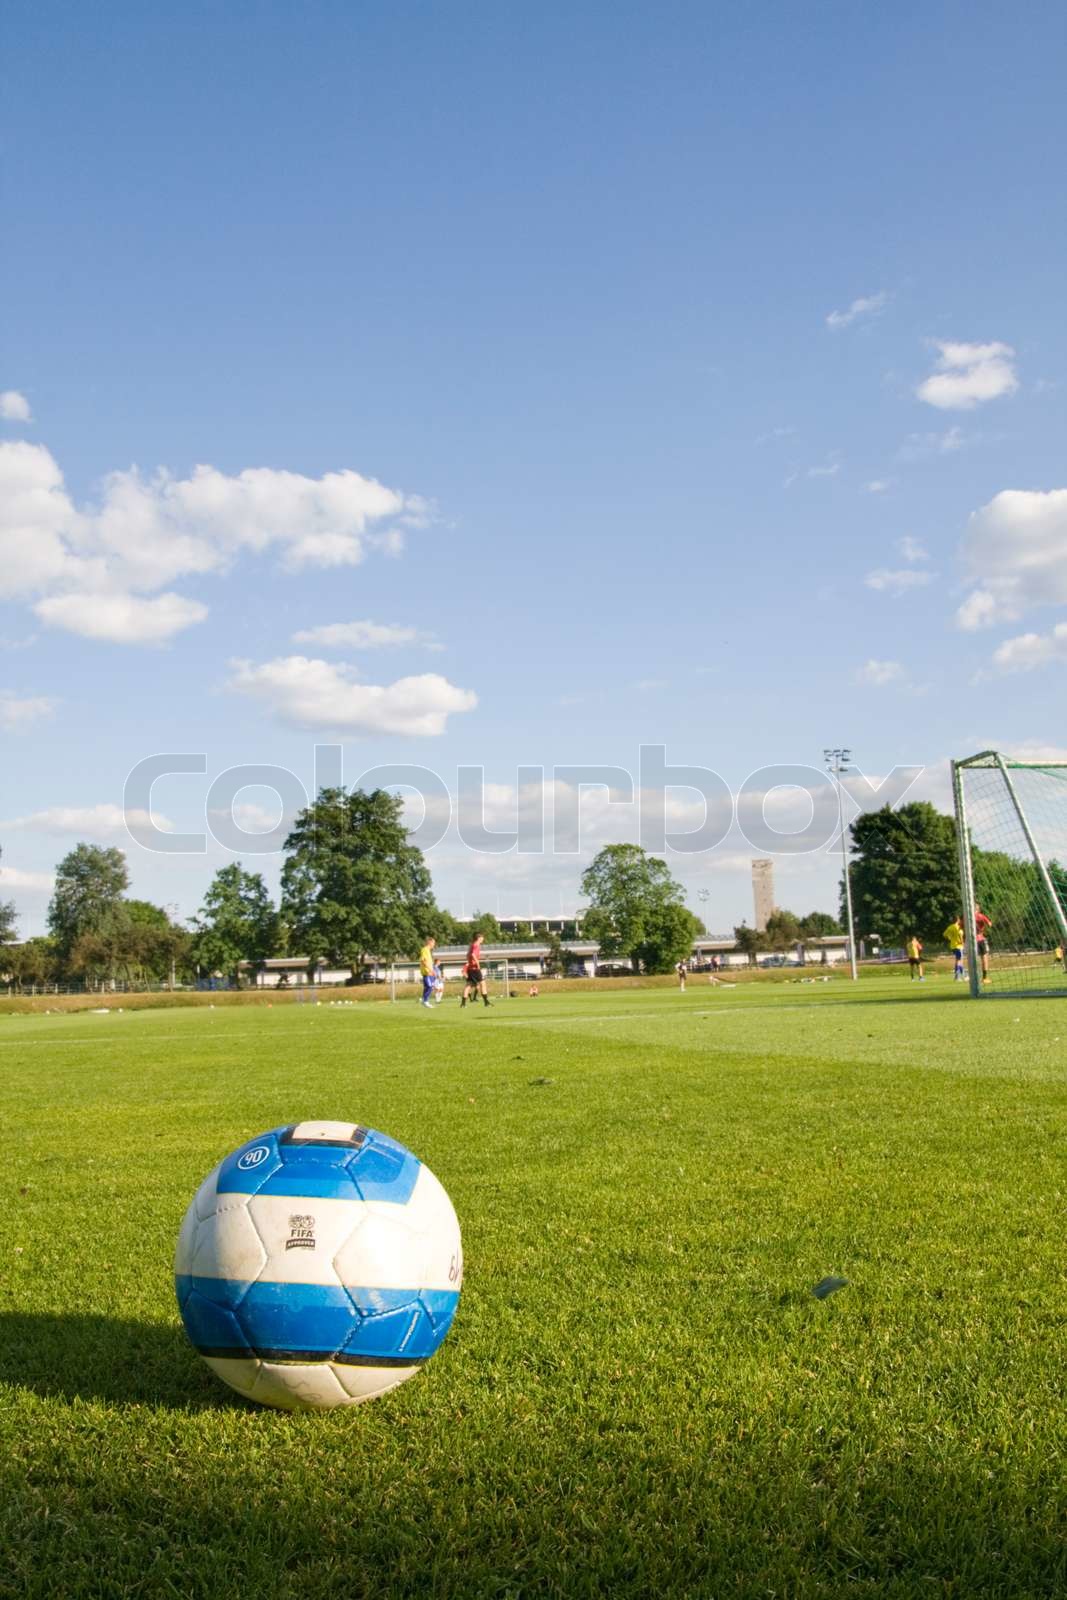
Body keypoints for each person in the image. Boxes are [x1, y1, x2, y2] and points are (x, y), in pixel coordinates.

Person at [461, 931, 491, 1008]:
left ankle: (463, 1004)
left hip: (470, 969)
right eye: (482, 937)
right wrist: (477, 963)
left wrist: (469, 962)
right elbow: (473, 954)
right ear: (479, 938)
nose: (483, 939)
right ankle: (486, 1003)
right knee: (482, 984)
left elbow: (467, 955)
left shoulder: (471, 945)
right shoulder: (476, 945)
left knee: (468, 986)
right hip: (475, 969)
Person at [974, 904, 992, 984]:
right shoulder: (981, 916)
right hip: (980, 939)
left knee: (973, 959)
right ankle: (984, 978)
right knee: (984, 958)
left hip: (971, 940)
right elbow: (989, 924)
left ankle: (973, 977)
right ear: (978, 909)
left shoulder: (967, 918)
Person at [943, 916, 965, 981]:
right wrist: (962, 943)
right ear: (958, 920)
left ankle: (958, 976)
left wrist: (950, 938)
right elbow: (961, 938)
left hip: (953, 946)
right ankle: (960, 976)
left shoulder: (950, 927)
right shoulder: (958, 928)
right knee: (960, 961)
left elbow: (944, 934)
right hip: (959, 946)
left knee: (958, 960)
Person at [418, 936, 437, 1009]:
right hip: (427, 973)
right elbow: (423, 961)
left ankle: (424, 1000)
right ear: (429, 942)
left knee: (428, 987)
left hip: (430, 973)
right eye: (433, 943)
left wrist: (433, 971)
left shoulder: (428, 951)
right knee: (429, 987)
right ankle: (425, 1001)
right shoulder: (424, 950)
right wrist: (431, 970)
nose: (434, 944)